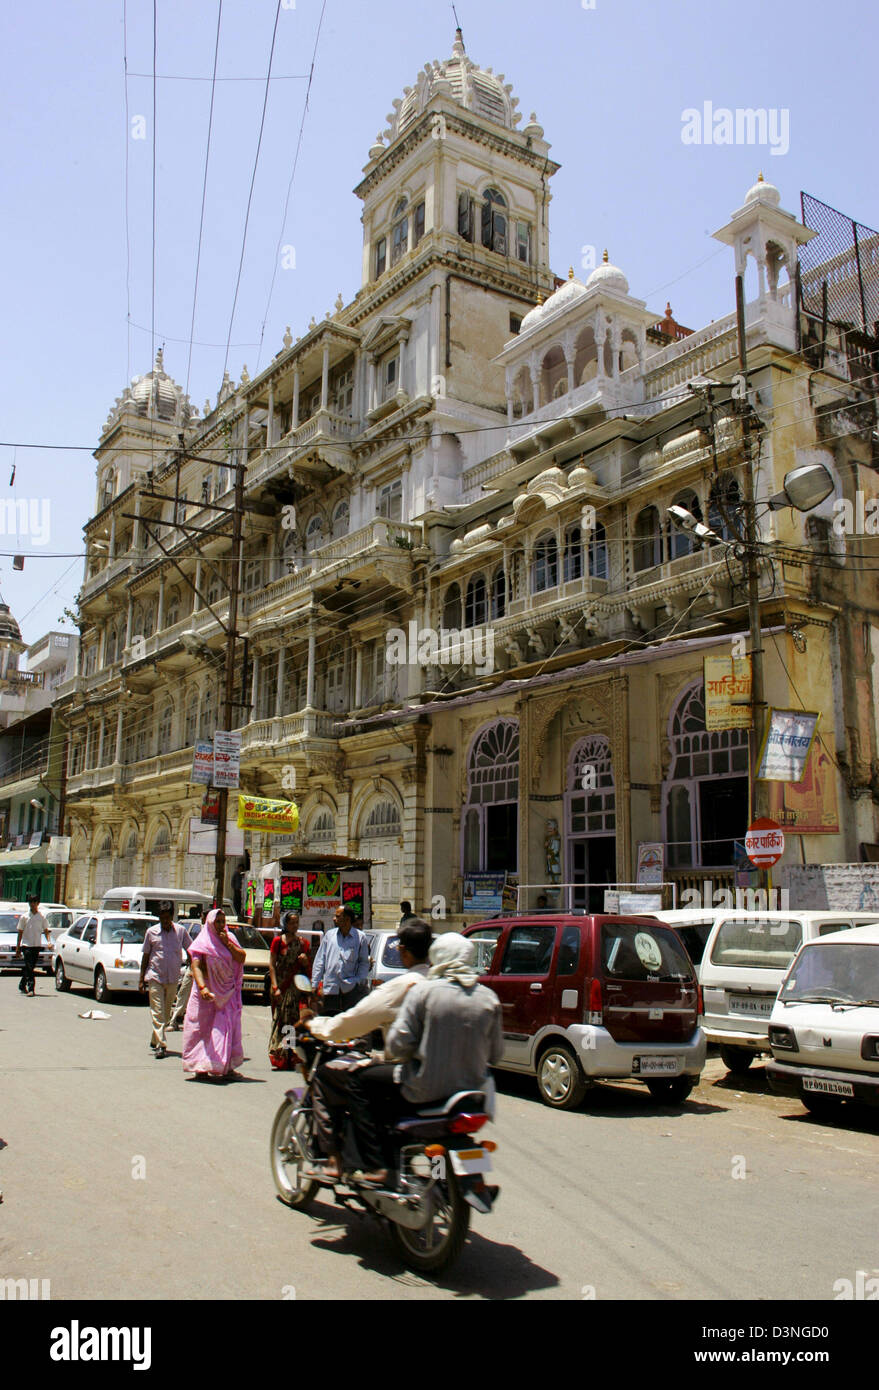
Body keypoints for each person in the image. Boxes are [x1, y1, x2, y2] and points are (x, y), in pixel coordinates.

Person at [322, 932, 502, 1186]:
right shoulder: (488, 997)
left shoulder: (423, 991)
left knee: (358, 1081)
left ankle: (376, 1164)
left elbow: (398, 1044)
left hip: (424, 1088)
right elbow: (496, 1054)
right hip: (473, 1094)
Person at [302, 918, 433, 1180]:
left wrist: (316, 1025)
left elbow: (352, 1021)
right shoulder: (444, 984)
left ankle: (339, 1159)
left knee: (340, 1078)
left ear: (403, 951)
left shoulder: (402, 987)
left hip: (408, 1073)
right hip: (445, 1077)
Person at [182, 908, 247, 1081]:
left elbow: (241, 958)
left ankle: (227, 1067)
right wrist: (203, 988)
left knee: (228, 1029)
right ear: (210, 923)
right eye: (217, 922)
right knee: (200, 1029)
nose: (220, 925)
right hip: (206, 993)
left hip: (227, 994)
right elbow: (196, 965)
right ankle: (200, 1067)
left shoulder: (230, 938)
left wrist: (228, 944)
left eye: (222, 922)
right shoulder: (203, 941)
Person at [140, 903, 193, 1058]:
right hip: (155, 976)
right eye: (162, 918)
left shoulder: (181, 932)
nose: (164, 921)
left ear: (172, 917)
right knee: (157, 1011)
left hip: (172, 978)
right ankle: (161, 1045)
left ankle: (154, 1038)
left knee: (165, 1013)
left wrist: (192, 964)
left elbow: (190, 948)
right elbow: (145, 956)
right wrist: (141, 979)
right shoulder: (152, 932)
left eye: (167, 918)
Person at [268, 911, 311, 1070]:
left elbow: (308, 969)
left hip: (295, 989)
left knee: (292, 1023)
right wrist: (275, 987)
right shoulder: (278, 942)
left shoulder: (303, 944)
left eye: (297, 922)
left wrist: (305, 962)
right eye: (292, 922)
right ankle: (279, 1053)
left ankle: (290, 1056)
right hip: (280, 988)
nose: (295, 925)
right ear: (286, 924)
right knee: (280, 1021)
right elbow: (272, 965)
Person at [310, 905, 369, 1016]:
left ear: (347, 919)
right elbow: (320, 960)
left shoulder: (360, 937)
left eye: (337, 916)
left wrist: (358, 980)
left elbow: (363, 962)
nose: (334, 919)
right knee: (329, 1022)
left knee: (348, 1025)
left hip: (350, 990)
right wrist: (315, 984)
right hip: (330, 989)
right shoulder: (329, 936)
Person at [15, 895, 52, 996]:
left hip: (36, 945)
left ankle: (22, 984)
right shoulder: (24, 917)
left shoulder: (41, 917)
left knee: (29, 967)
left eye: (34, 902)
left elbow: (46, 930)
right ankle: (31, 988)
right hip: (26, 945)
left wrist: (49, 942)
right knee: (30, 967)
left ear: (38, 904)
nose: (32, 904)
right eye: (31, 902)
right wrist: (18, 947)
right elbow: (20, 932)